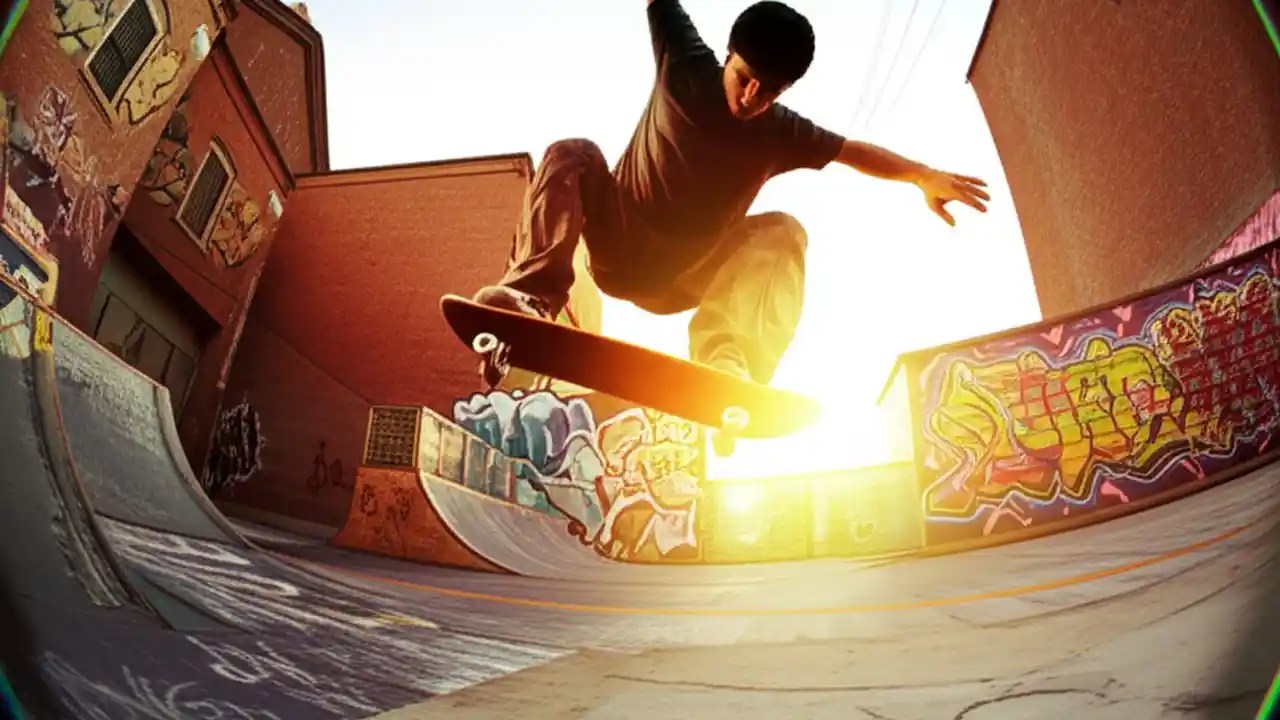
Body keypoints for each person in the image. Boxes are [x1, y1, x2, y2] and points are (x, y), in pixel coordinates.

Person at [472, 0, 989, 450]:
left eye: (768, 92)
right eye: (745, 79)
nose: (750, 98)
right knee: (573, 152)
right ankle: (533, 299)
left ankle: (727, 364)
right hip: (619, 243)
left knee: (784, 231)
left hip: (683, 277)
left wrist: (923, 176)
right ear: (728, 56)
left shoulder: (782, 132)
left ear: (785, 91)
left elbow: (853, 153)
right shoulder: (682, 54)